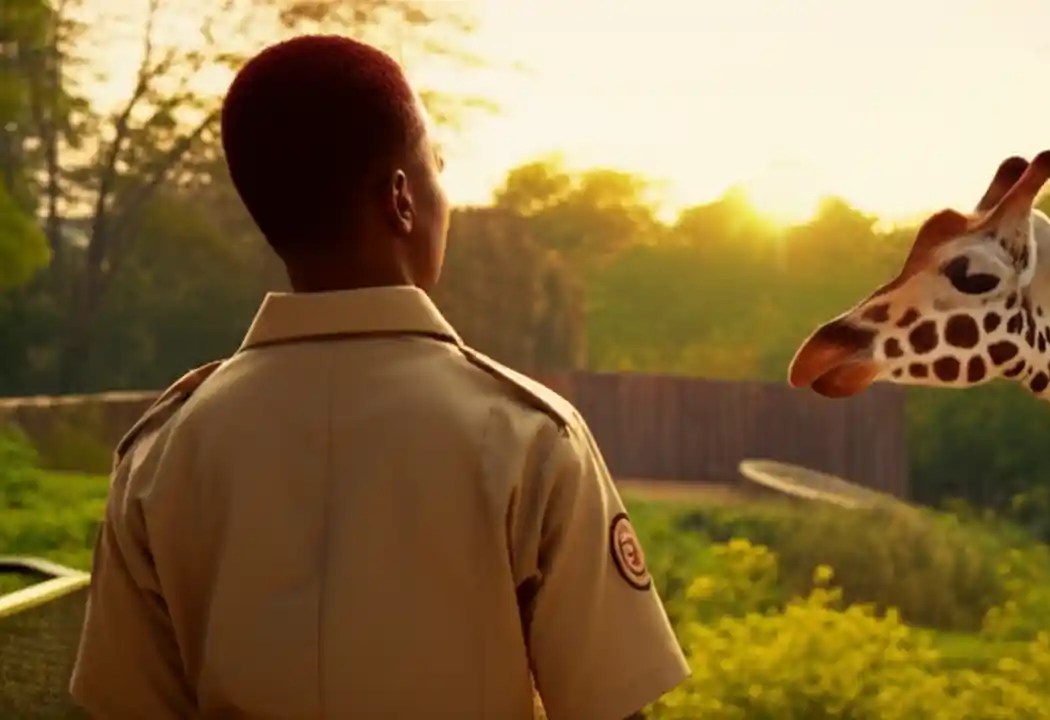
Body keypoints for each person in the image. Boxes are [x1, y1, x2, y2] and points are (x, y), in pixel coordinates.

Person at [69, 34, 690, 719]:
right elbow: (610, 707)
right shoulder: (530, 437)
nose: (444, 199)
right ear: (400, 198)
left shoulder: (161, 454)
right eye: (438, 169)